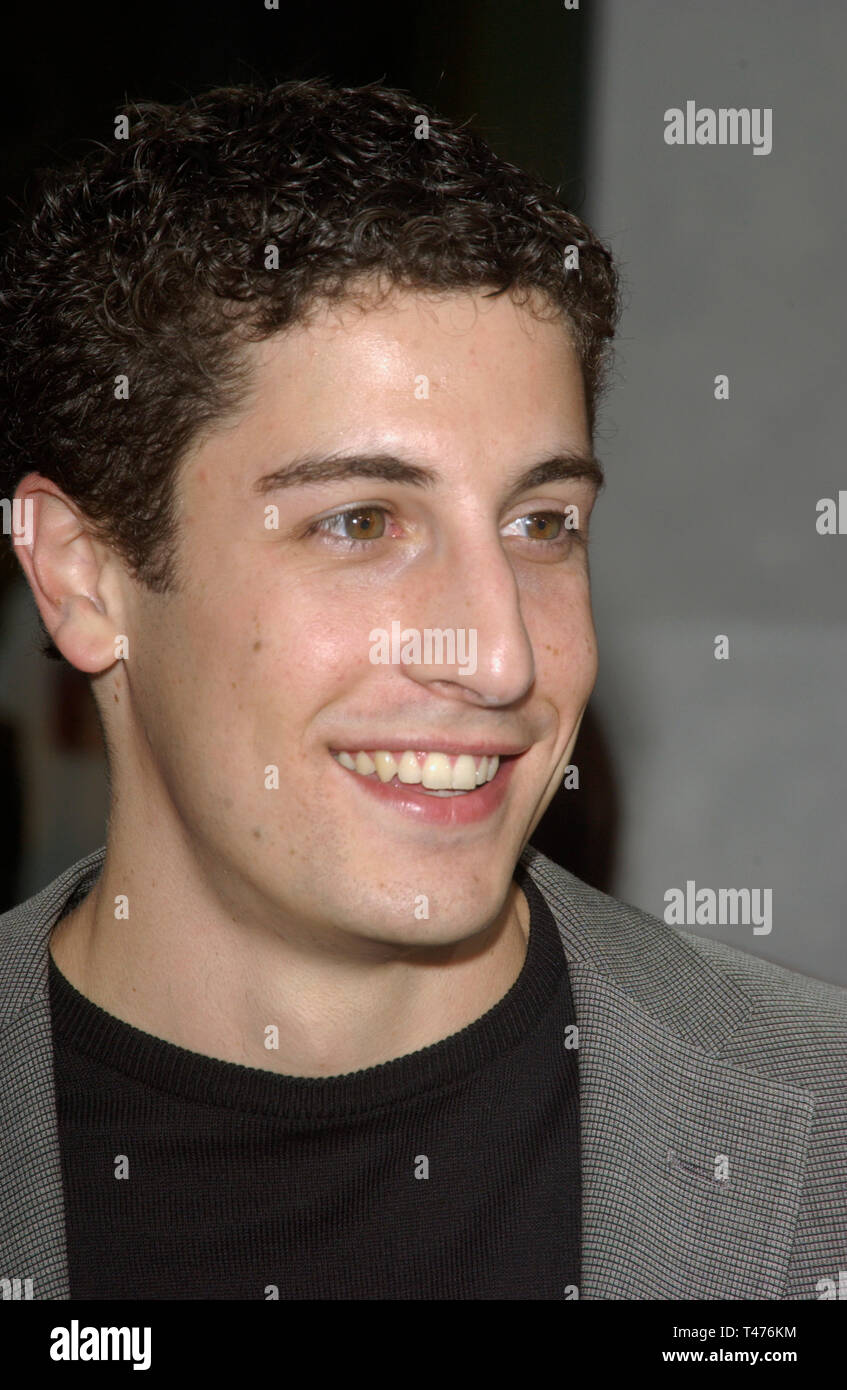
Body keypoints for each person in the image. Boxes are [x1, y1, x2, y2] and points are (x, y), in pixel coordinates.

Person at [0, 79, 844, 1302]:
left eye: (542, 523)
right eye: (360, 521)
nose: (500, 655)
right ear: (83, 580)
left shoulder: (819, 1142)